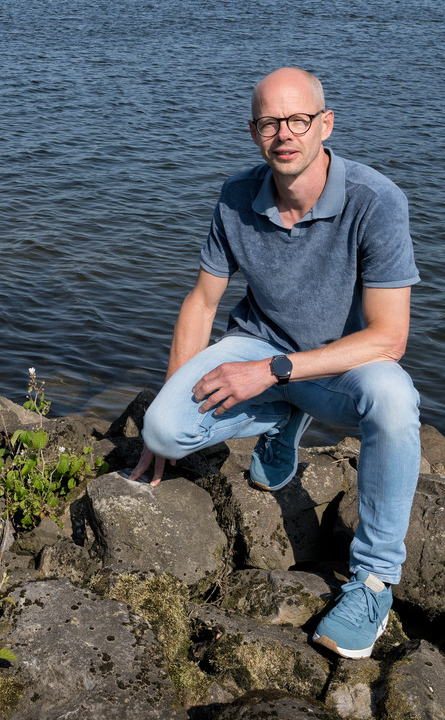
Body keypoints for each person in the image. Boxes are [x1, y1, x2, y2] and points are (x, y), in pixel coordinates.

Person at [129, 67, 420, 660]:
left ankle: (371, 582)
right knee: (161, 428)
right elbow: (202, 301)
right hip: (257, 342)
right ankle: (282, 418)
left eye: (298, 120)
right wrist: (172, 396)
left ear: (325, 124)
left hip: (337, 365)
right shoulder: (237, 195)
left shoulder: (376, 201)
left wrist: (275, 372)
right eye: (270, 122)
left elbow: (389, 339)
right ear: (254, 131)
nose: (284, 134)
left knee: (393, 398)